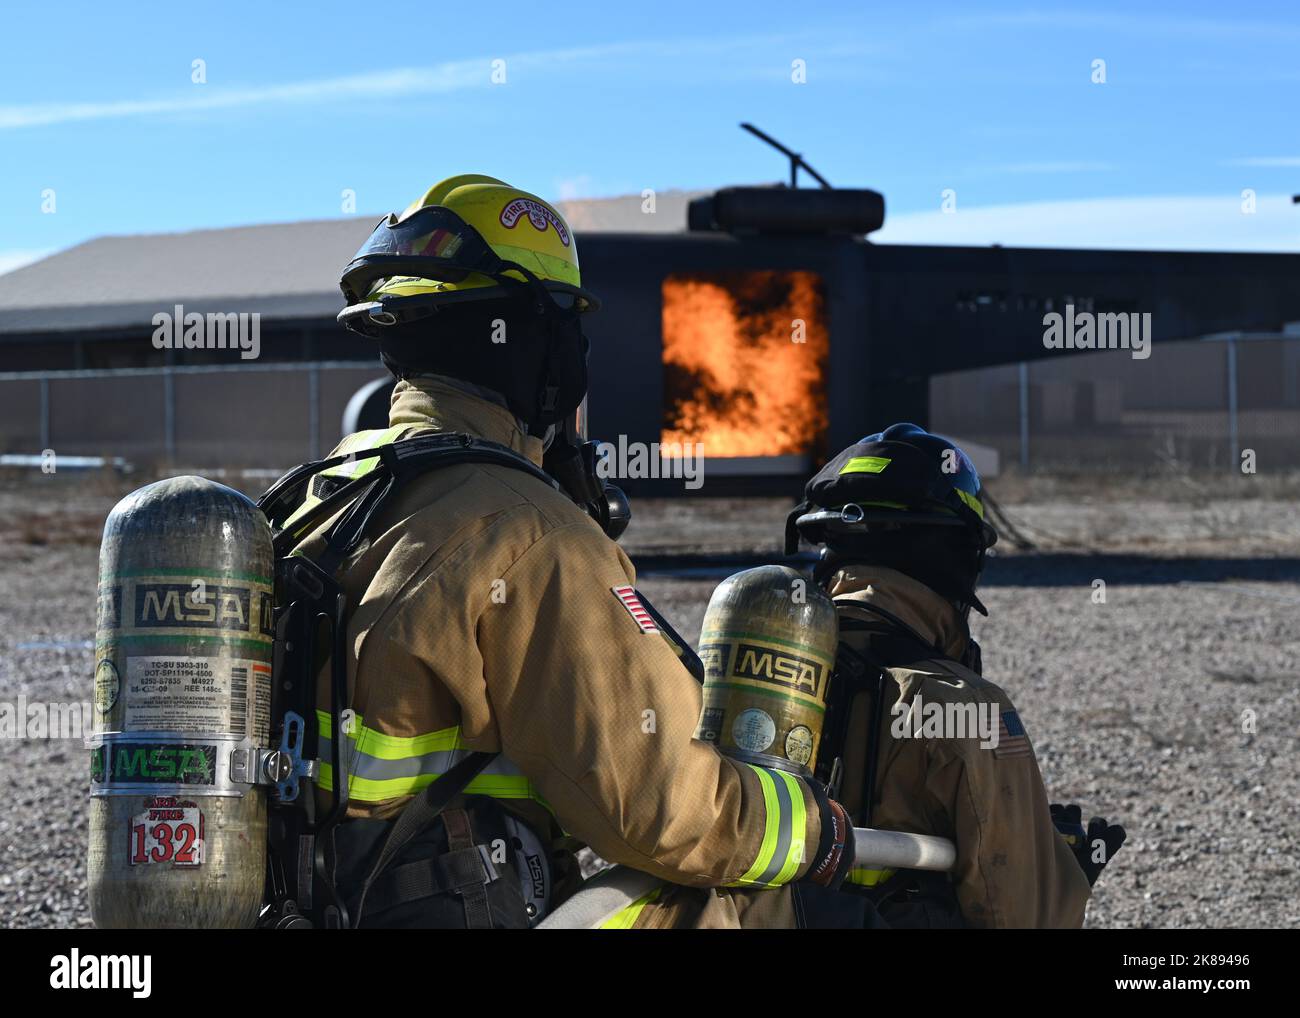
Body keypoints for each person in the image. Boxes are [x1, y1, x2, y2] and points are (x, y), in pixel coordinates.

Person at [281, 175, 854, 928]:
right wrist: (813, 828)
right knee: (724, 890)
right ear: (539, 340)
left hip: (292, 903)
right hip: (423, 909)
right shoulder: (531, 534)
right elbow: (661, 807)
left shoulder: (319, 493)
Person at [784, 423, 1125, 927]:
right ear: (955, 556)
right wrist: (1060, 870)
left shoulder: (753, 667)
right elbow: (1022, 916)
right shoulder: (963, 705)